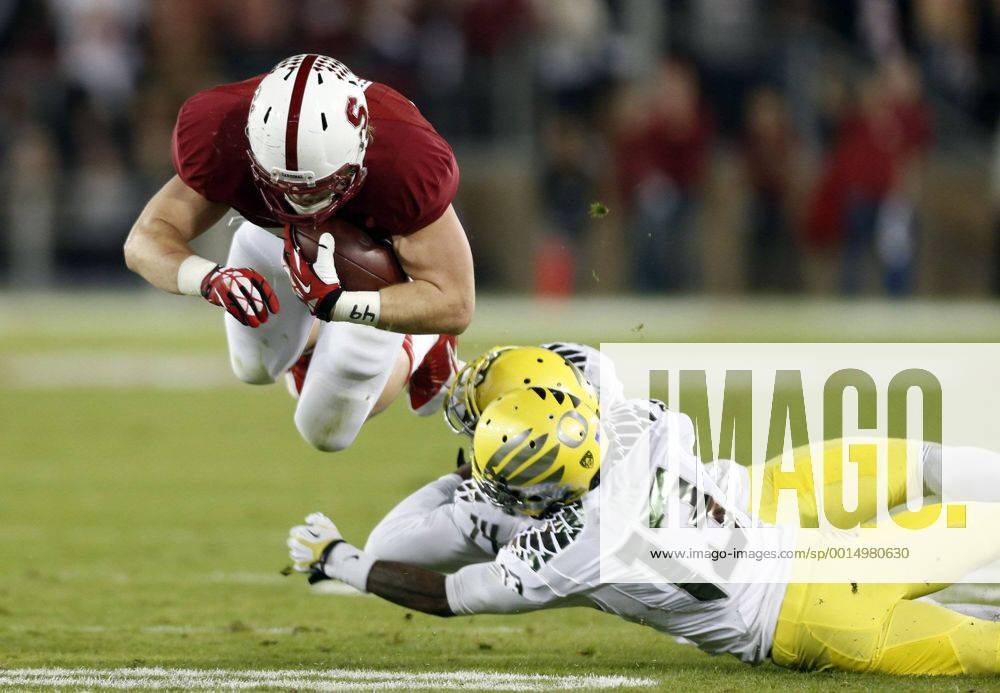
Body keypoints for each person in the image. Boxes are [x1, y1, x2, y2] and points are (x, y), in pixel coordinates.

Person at [288, 383, 1000, 675]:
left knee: (978, 643)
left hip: (806, 614)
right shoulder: (628, 419)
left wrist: (341, 562)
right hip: (803, 545)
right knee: (965, 510)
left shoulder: (574, 547)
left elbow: (450, 594)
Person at [124, 54, 474, 452]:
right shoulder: (220, 129)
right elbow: (144, 241)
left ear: (363, 143)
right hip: (271, 241)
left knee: (325, 431)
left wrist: (340, 304)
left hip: (367, 274)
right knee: (253, 367)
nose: (300, 203)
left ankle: (420, 347)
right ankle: (310, 342)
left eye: (320, 187)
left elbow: (457, 304)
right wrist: (208, 279)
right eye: (282, 186)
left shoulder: (404, 155)